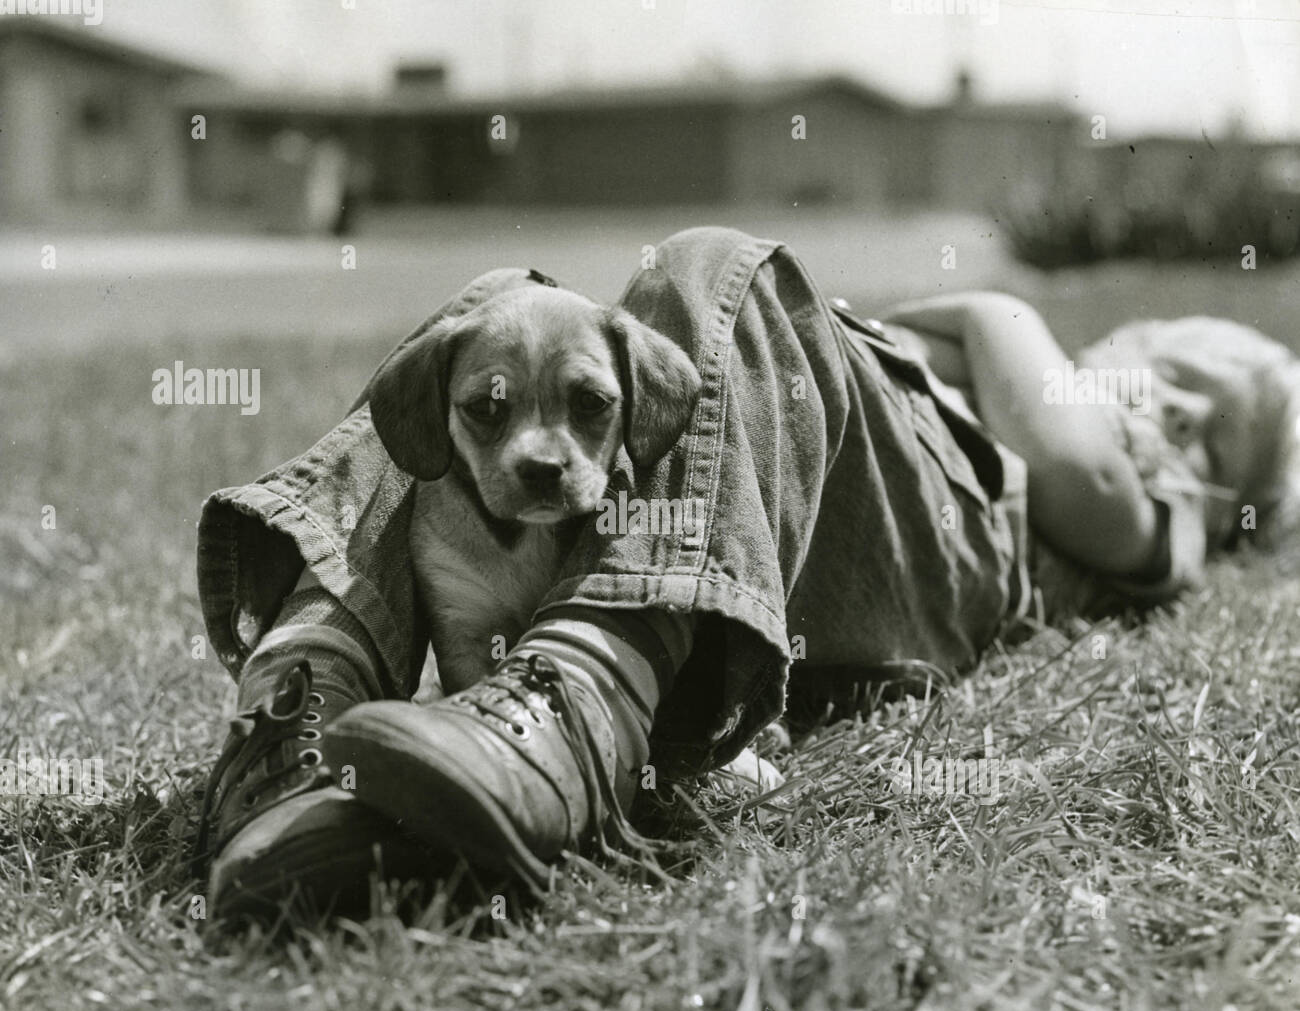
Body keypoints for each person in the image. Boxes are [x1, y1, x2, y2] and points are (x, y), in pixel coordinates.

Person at [192, 227, 1300, 921]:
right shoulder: (1031, 376)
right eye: (1165, 366)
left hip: (932, 555)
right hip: (776, 514)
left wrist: (991, 319)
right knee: (495, 302)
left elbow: (1080, 471)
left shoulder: (1139, 488)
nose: (1164, 392)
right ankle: (302, 705)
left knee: (719, 267)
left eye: (1201, 409)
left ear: (1215, 464)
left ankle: (585, 699)